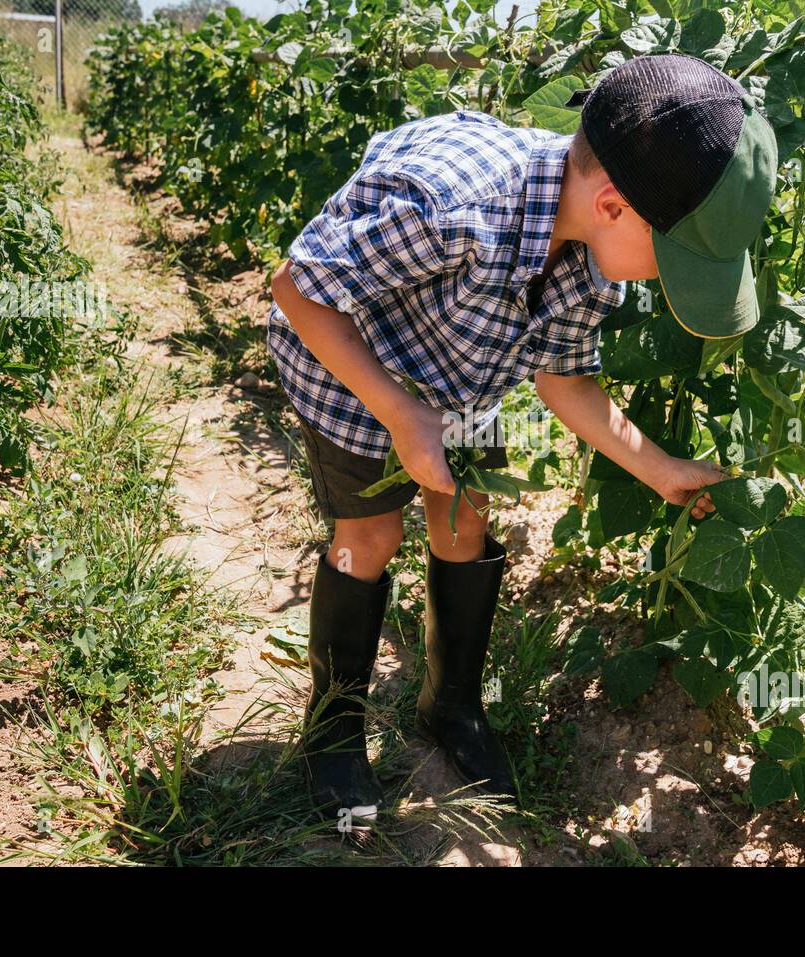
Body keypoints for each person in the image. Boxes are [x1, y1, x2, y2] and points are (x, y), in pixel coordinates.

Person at [267, 52, 778, 822]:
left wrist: (661, 467)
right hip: (349, 360)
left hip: (462, 372)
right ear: (613, 205)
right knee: (367, 537)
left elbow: (563, 380)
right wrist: (402, 414)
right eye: (671, 258)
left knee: (464, 520)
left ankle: (453, 706)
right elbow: (298, 288)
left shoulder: (591, 257)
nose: (661, 280)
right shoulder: (453, 203)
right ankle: (335, 732)